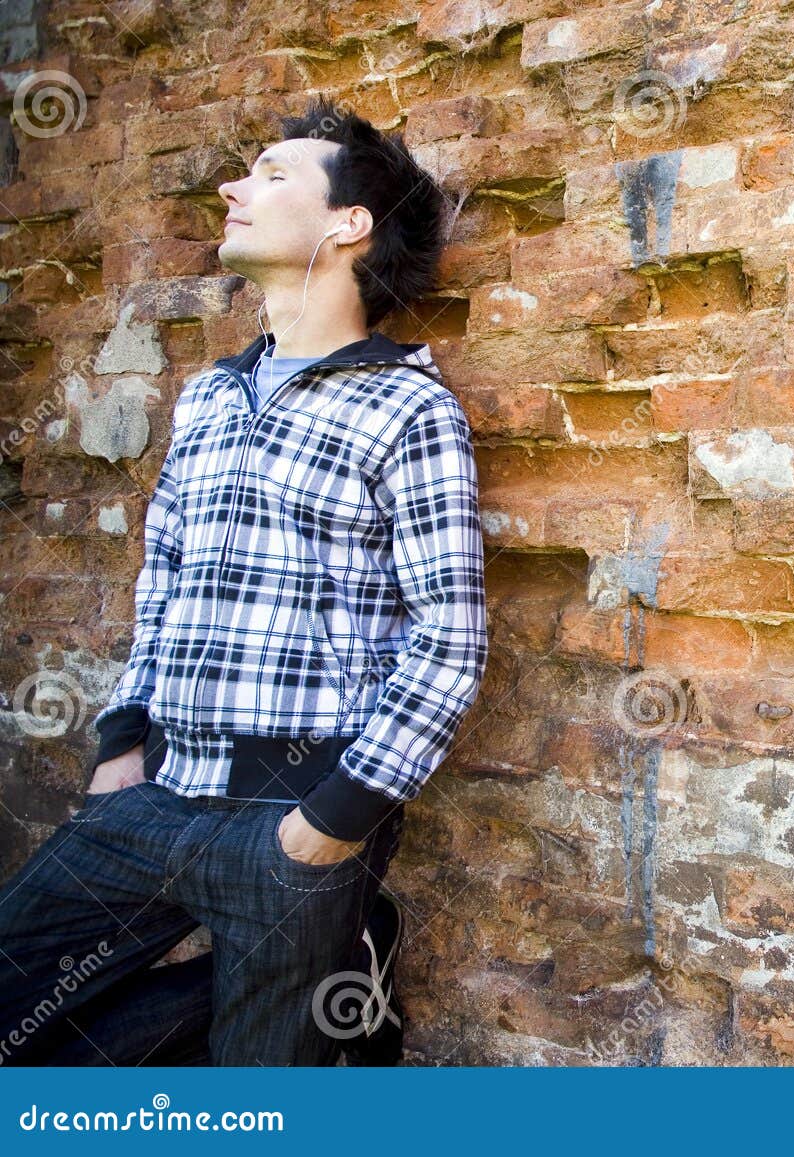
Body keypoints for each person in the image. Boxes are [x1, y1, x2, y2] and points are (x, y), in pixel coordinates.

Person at [0, 95, 488, 1066]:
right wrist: (121, 743)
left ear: (349, 224)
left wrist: (335, 818)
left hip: (294, 820)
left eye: (272, 174)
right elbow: (164, 579)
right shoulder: (212, 397)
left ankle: (332, 961)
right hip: (152, 795)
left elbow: (450, 638)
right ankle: (350, 958)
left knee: (260, 1096)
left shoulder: (407, 405)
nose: (233, 187)